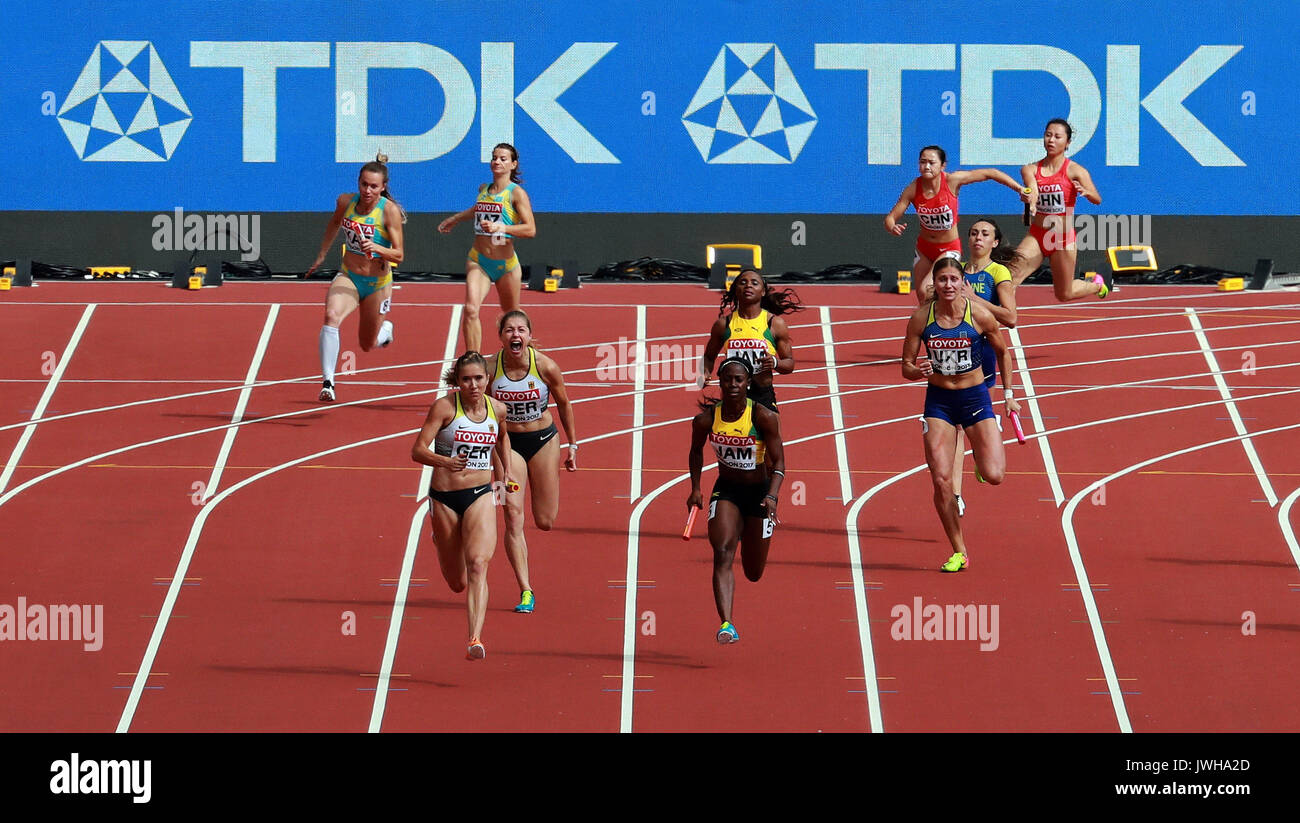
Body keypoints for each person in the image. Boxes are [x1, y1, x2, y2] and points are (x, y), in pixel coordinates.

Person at [901, 258, 1020, 572]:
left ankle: (983, 455)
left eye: (954, 279)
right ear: (935, 285)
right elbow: (906, 366)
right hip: (939, 401)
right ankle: (959, 550)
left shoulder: (979, 314)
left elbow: (1003, 352)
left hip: (975, 398)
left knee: (994, 475)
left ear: (962, 282)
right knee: (941, 481)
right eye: (942, 280)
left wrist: (1008, 396)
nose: (949, 285)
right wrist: (917, 371)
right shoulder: (920, 318)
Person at [410, 351, 515, 660]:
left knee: (479, 564)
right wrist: (446, 461)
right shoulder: (444, 408)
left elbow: (502, 440)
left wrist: (506, 472)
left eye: (479, 379)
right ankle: (440, 540)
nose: (473, 385)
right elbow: (417, 450)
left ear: (487, 379)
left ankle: (475, 638)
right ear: (457, 381)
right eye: (466, 379)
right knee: (457, 582)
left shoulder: (498, 409)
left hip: (481, 493)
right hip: (444, 497)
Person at [687, 358, 785, 644]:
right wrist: (695, 488)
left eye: (738, 380)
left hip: (759, 494)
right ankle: (727, 624)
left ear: (748, 383)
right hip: (727, 490)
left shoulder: (763, 417)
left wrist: (772, 495)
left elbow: (779, 462)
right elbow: (695, 452)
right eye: (727, 379)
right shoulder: (706, 420)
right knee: (723, 551)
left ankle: (748, 528)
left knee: (754, 572)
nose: (732, 384)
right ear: (720, 382)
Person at [487, 310, 578, 615]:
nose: (515, 335)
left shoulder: (545, 366)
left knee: (545, 520)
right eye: (509, 330)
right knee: (512, 515)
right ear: (501, 336)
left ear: (528, 336)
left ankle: (547, 482)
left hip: (543, 441)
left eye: (521, 330)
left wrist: (573, 444)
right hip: (506, 446)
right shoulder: (489, 369)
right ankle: (526, 590)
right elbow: (476, 407)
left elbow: (564, 402)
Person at [305, 153, 405, 402]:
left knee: (367, 343)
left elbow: (399, 254)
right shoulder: (345, 202)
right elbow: (334, 224)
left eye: (373, 186)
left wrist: (377, 248)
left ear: (382, 188)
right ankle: (328, 382)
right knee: (331, 316)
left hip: (378, 284)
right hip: (349, 276)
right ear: (358, 183)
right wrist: (321, 255)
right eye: (364, 184)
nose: (368, 190)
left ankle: (386, 330)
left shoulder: (388, 211)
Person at [884, 145, 1027, 302]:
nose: (926, 166)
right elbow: (890, 218)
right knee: (922, 299)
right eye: (922, 162)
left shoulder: (952, 181)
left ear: (943, 165)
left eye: (931, 162)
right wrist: (892, 227)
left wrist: (1019, 188)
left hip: (949, 248)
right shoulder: (912, 189)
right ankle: (935, 325)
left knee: (927, 290)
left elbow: (990, 173)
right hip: (924, 249)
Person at [437, 143, 536, 353]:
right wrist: (455, 219)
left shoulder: (516, 194)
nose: (497, 162)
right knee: (471, 309)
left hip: (506, 265)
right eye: (494, 158)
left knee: (512, 317)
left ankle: (524, 355)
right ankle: (474, 360)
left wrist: (501, 227)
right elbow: (477, 210)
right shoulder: (484, 189)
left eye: (503, 158)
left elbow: (530, 229)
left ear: (513, 164)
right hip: (479, 260)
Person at [952, 218, 1020, 516]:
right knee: (954, 426)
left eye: (985, 234)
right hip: (954, 356)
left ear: (994, 242)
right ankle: (955, 495)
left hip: (984, 357)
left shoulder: (998, 272)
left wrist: (975, 299)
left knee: (971, 424)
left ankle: (984, 445)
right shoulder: (955, 271)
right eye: (974, 233)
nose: (978, 238)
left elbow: (1011, 317)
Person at [1009, 119, 1111, 300]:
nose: (1051, 140)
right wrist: (1031, 200)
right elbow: (1032, 188)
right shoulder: (1030, 169)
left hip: (1062, 239)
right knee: (1009, 278)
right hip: (1037, 235)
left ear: (1067, 143)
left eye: (1057, 137)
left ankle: (1097, 285)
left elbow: (1097, 199)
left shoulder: (1076, 171)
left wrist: (1086, 192)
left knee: (1064, 294)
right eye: (1048, 135)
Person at [699, 269, 801, 412]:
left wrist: (775, 362)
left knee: (771, 433)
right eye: (743, 282)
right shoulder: (723, 324)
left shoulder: (774, 324)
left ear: (763, 291)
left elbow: (789, 364)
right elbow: (708, 357)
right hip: (732, 395)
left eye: (754, 283)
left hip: (762, 395)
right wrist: (703, 373)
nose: (748, 286)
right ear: (735, 290)